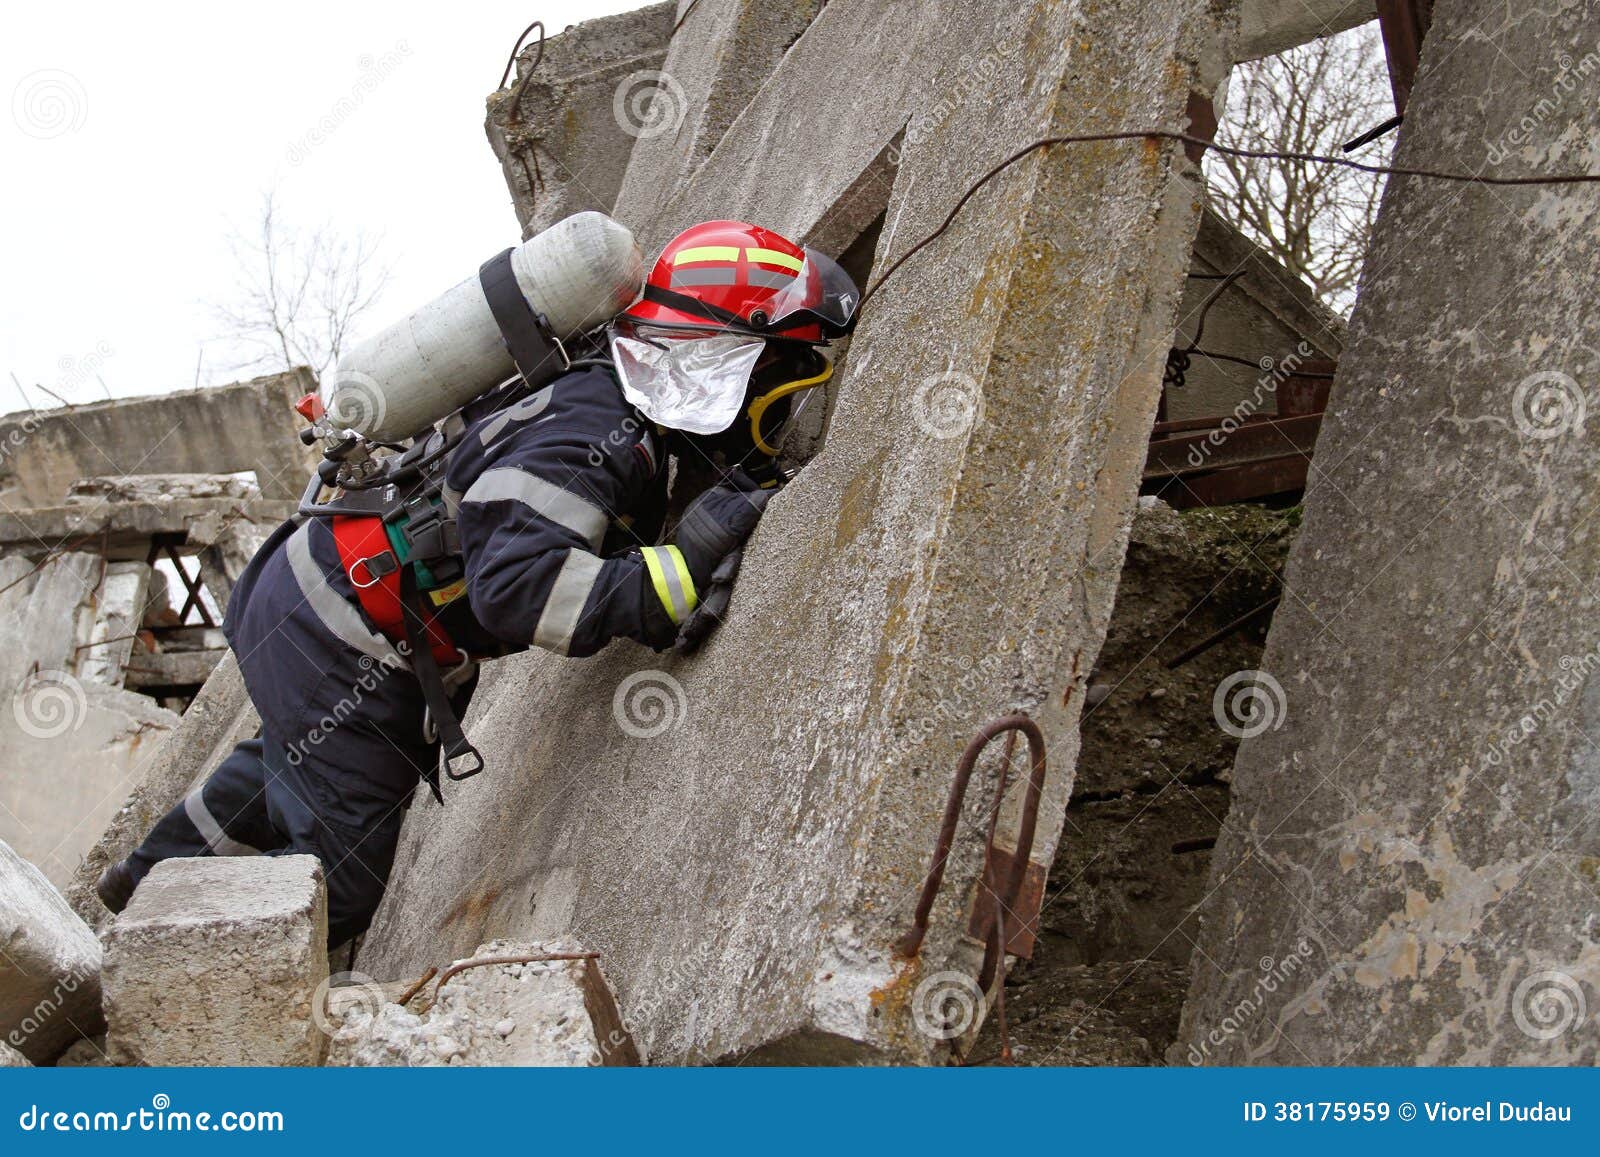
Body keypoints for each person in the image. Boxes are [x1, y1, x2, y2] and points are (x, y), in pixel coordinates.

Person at [96, 220, 859, 946]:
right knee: (344, 885)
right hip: (337, 627)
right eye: (778, 377)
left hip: (313, 596)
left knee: (295, 762)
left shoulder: (607, 385)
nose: (780, 402)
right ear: (726, 364)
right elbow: (518, 588)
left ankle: (142, 886)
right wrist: (676, 573)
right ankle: (158, 957)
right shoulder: (597, 429)